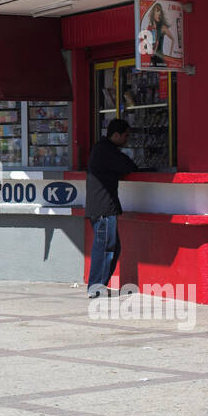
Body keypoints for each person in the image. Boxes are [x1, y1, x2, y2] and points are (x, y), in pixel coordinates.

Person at [86, 118, 139, 298]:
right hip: (104, 209)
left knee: (111, 248)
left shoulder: (102, 149)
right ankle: (96, 287)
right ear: (115, 135)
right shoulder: (106, 150)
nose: (127, 139)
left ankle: (97, 286)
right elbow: (128, 166)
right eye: (125, 135)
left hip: (101, 207)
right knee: (106, 249)